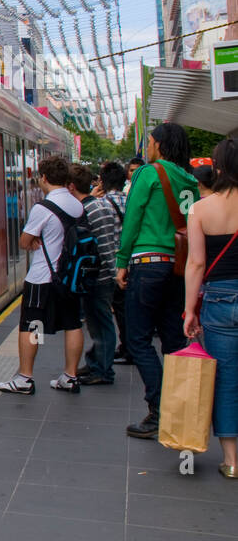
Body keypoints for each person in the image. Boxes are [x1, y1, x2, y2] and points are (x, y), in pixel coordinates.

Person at [116, 122, 199, 439]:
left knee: (137, 339)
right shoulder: (189, 179)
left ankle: (158, 410)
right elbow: (190, 224)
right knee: (174, 341)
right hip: (177, 266)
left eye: (149, 142)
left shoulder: (147, 173)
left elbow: (133, 217)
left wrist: (121, 262)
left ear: (160, 145)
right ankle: (179, 411)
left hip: (147, 263)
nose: (147, 147)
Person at [0, 155, 85, 394]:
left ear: (44, 178)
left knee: (33, 325)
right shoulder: (77, 204)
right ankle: (70, 376)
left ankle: (25, 377)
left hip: (43, 277)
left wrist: (35, 238)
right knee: (72, 324)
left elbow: (24, 242)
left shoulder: (43, 207)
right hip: (70, 276)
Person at [183, 138, 238, 478]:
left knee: (226, 380)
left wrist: (190, 310)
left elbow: (196, 264)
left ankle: (232, 461)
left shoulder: (201, 209)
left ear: (217, 168)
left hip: (219, 301)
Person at [69, 166, 119, 387]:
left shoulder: (95, 208)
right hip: (93, 277)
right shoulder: (88, 206)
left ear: (72, 186)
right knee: (95, 323)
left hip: (101, 278)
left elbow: (108, 244)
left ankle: (103, 370)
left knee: (102, 323)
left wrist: (115, 274)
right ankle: (96, 362)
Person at [95, 161, 131, 365]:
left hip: (113, 265)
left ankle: (126, 348)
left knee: (116, 311)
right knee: (126, 308)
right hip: (131, 262)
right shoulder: (131, 200)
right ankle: (128, 346)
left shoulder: (103, 203)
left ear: (103, 181)